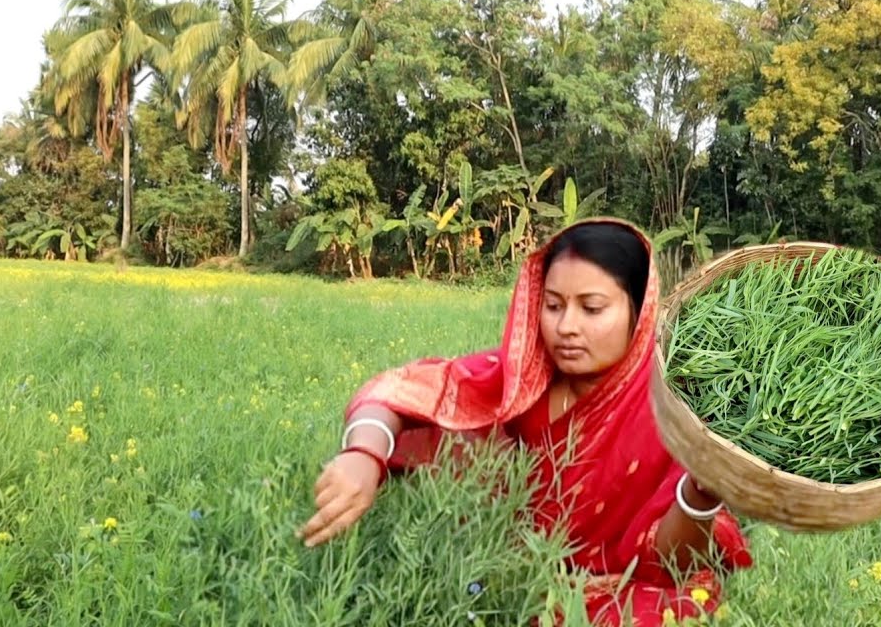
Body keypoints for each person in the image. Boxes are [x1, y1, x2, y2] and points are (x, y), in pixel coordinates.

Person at [298, 219, 752, 625]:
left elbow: (672, 563)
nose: (566, 326)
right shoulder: (522, 381)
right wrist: (363, 454)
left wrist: (700, 493)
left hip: (617, 587)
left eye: (592, 309)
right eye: (553, 306)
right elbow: (401, 391)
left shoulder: (672, 411)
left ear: (640, 312)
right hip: (497, 567)